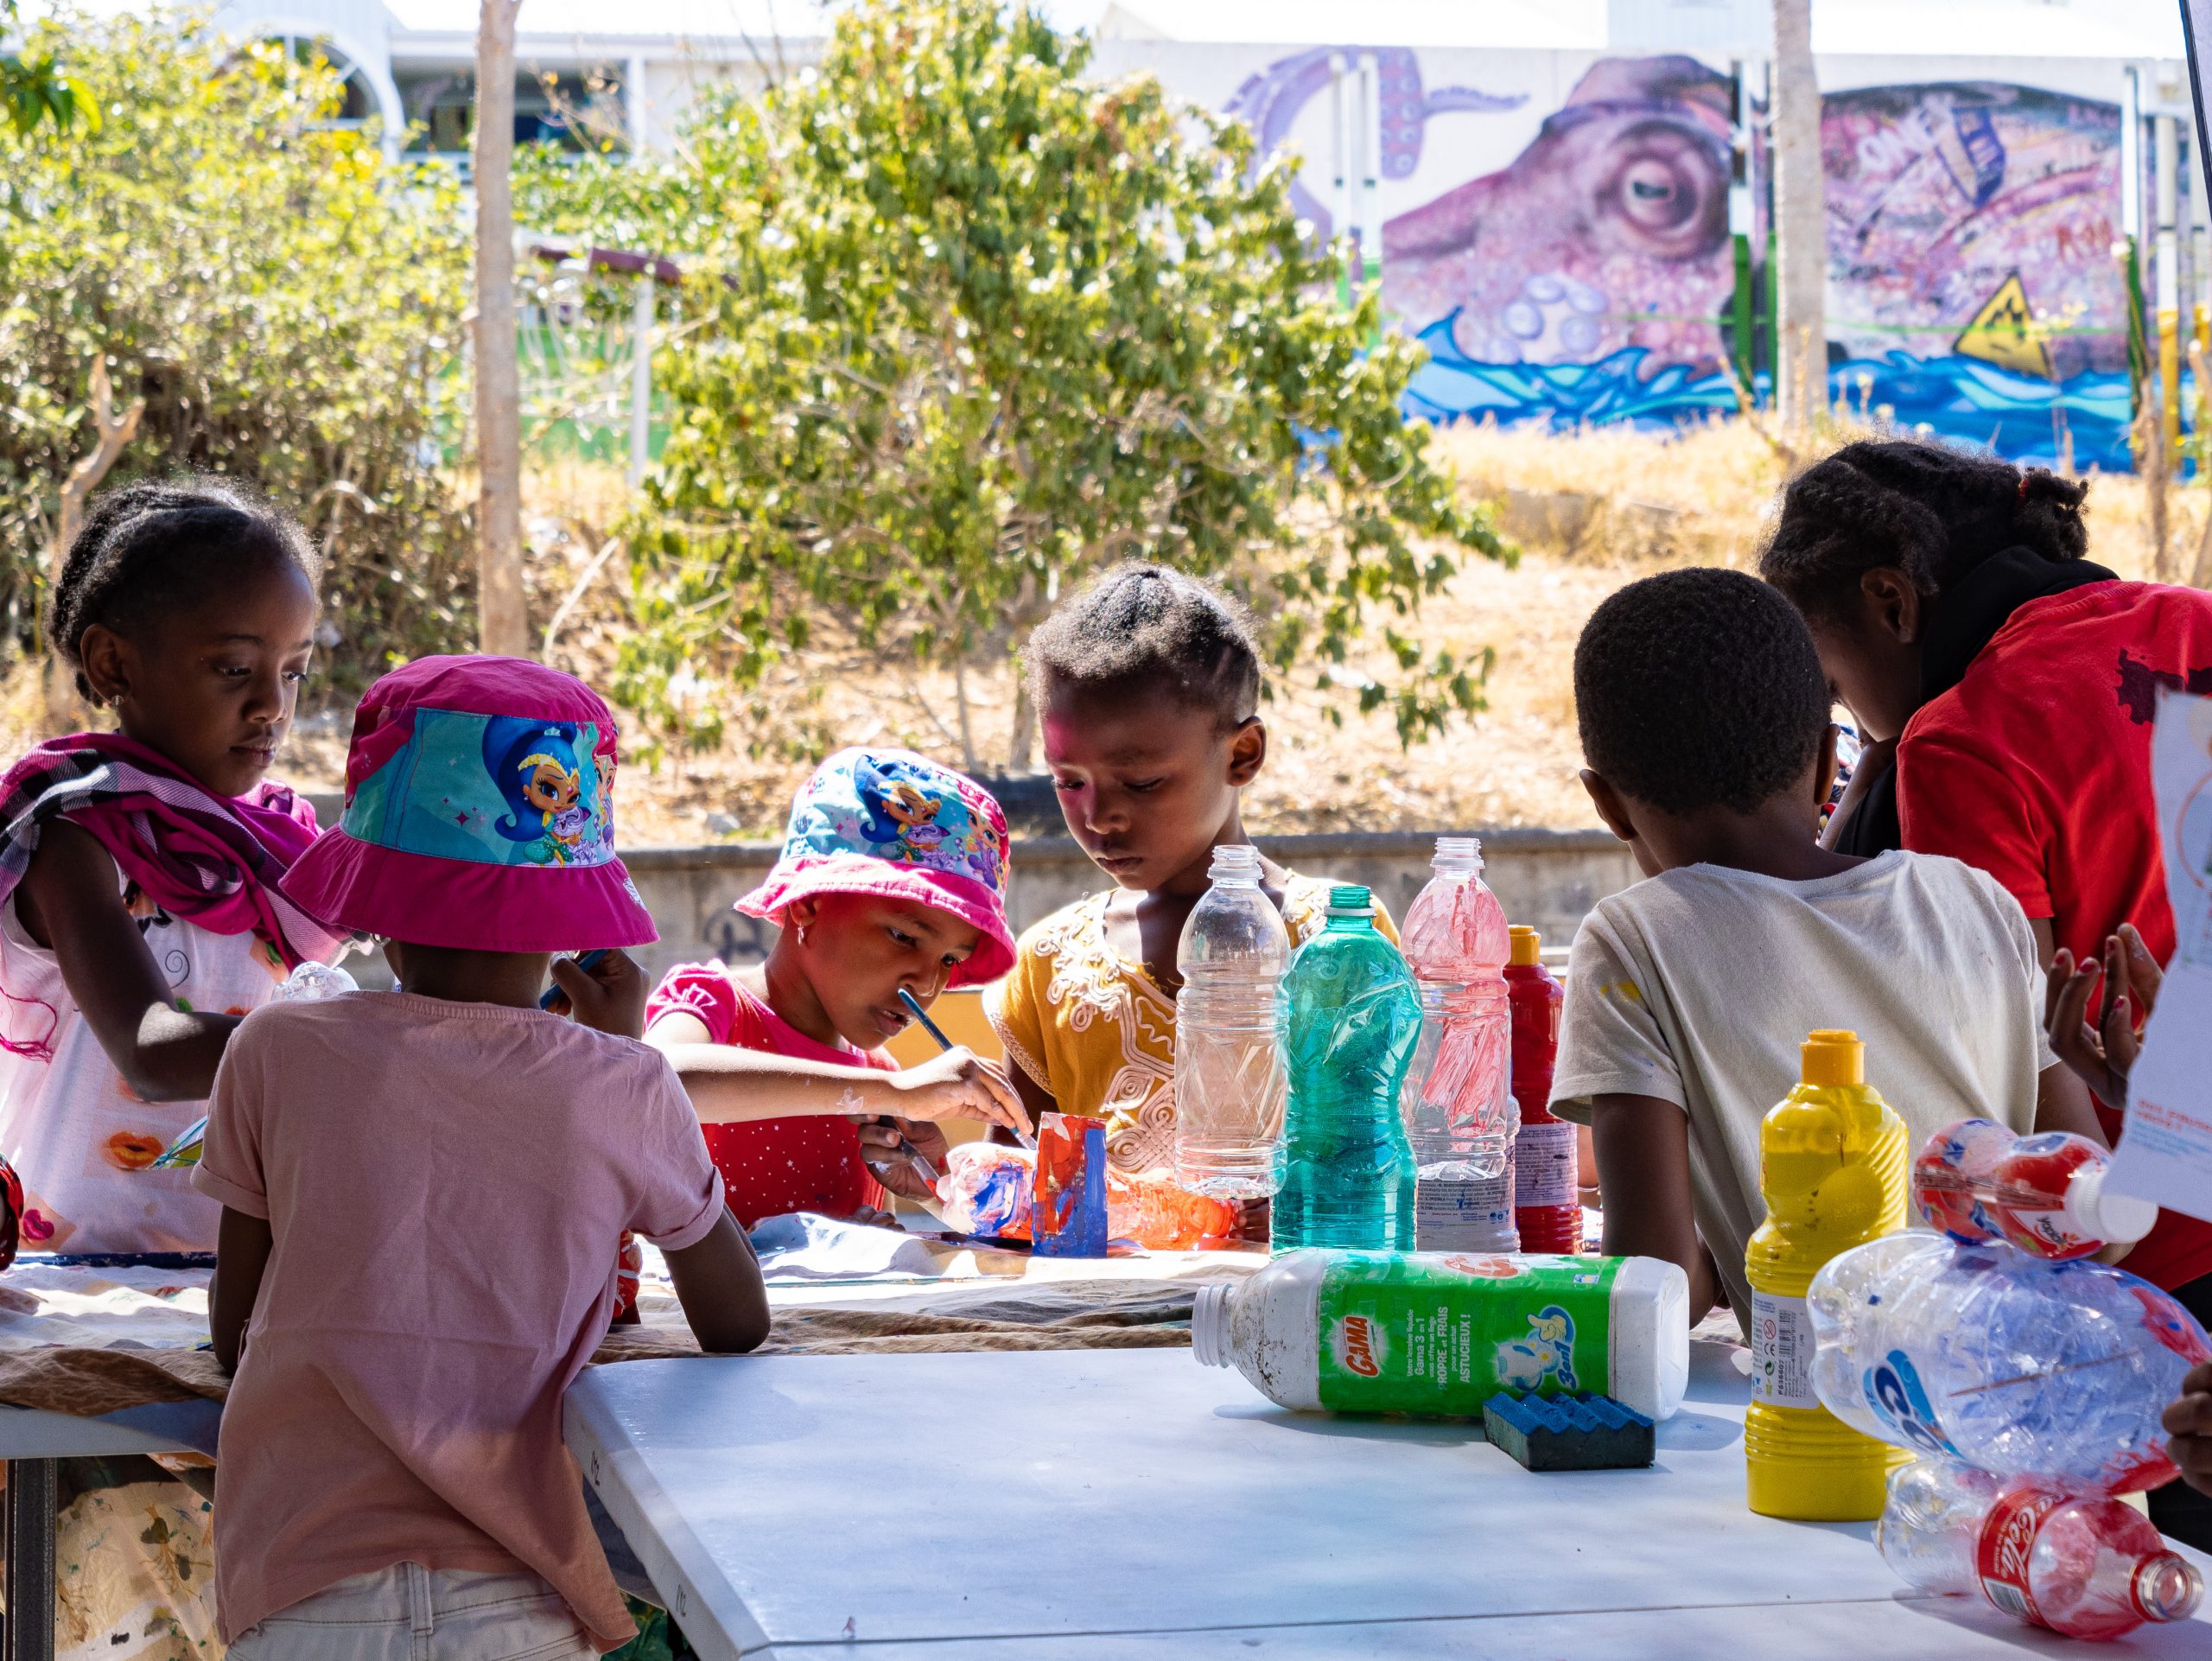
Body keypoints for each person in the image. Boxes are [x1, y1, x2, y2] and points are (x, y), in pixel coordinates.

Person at [200, 655, 767, 1659]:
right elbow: (735, 1320)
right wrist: (630, 1058)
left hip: (294, 1576)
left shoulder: (275, 1049)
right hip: (517, 1586)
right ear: (572, 923)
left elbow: (235, 1325)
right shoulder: (619, 1082)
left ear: (373, 891)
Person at [1763, 440, 2212, 1543]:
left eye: (1829, 674)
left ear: (1889, 602)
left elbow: (2013, 1050)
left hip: (2149, 1268)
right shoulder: (2197, 619)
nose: (1846, 722)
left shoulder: (1960, 741)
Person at [1548, 569, 2104, 1329]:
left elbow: (1654, 1288)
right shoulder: (1976, 901)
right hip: (2017, 1376)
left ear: (1606, 803)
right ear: (1824, 763)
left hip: (1822, 1408)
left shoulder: (1632, 940)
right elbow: (2086, 1202)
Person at [0, 479, 344, 1257]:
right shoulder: (72, 836)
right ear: (113, 662)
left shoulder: (279, 844)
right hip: (70, 1278)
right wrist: (358, 1046)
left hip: (236, 1273)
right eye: (233, 669)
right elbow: (151, 1053)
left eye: (292, 670)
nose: (272, 707)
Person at [988, 562, 1395, 1176]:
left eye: (1142, 781)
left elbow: (1388, 1149)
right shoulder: (1049, 965)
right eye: (1069, 782)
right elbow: (1014, 1182)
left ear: (1243, 754)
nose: (1098, 816)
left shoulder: (1337, 943)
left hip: (1297, 1275)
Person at [645, 748, 1030, 1226]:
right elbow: (661, 1080)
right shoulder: (716, 1006)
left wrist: (934, 1190)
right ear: (810, 904)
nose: (928, 982)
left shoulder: (877, 1082)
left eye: (950, 960)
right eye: (904, 937)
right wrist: (891, 1090)